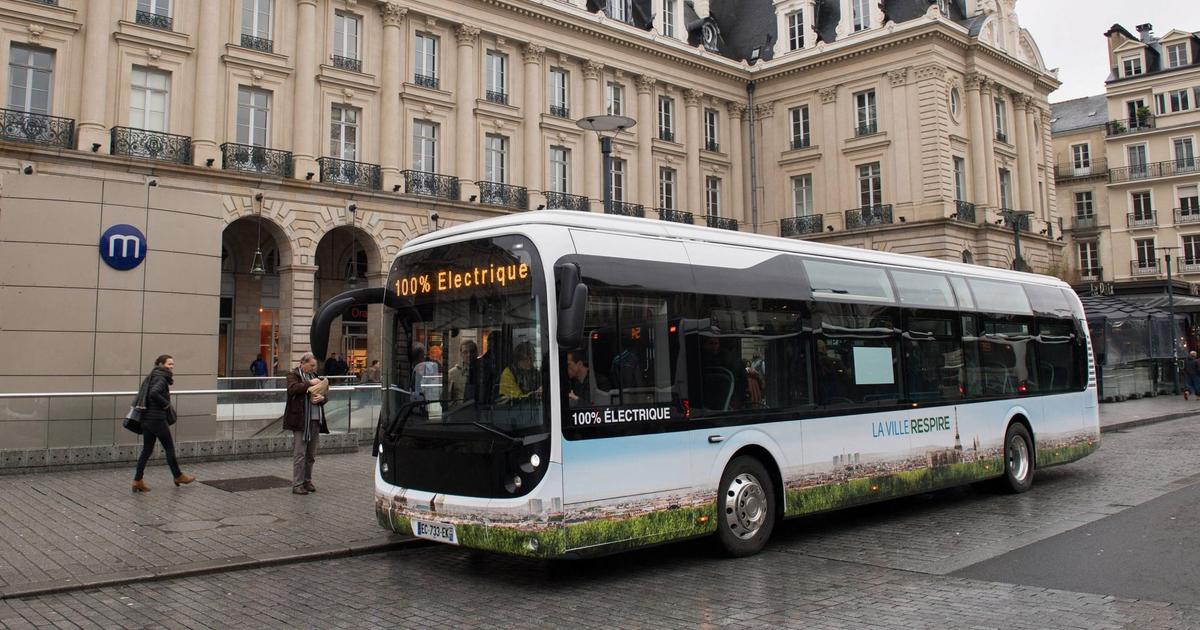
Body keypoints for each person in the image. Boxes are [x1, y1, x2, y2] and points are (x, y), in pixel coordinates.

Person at [131, 355, 194, 492]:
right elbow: (153, 393)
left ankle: (137, 480)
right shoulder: (161, 378)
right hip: (157, 419)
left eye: (172, 364)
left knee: (147, 450)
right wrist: (166, 404)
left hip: (146, 419)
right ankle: (178, 476)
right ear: (160, 364)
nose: (171, 366)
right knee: (169, 448)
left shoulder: (153, 376)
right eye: (169, 364)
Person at [284, 353, 329, 495]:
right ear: (303, 363)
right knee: (300, 454)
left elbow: (325, 395)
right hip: (301, 420)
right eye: (311, 365)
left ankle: (307, 481)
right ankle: (297, 484)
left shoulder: (315, 376)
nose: (313, 368)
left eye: (314, 366)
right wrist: (310, 383)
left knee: (311, 454)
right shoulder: (293, 375)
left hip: (315, 419)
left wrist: (322, 398)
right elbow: (293, 389)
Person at [446, 340, 479, 406]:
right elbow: (446, 398)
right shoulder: (452, 373)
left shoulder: (483, 372)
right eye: (465, 352)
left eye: (472, 352)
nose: (469, 355)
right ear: (461, 354)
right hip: (459, 410)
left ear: (476, 353)